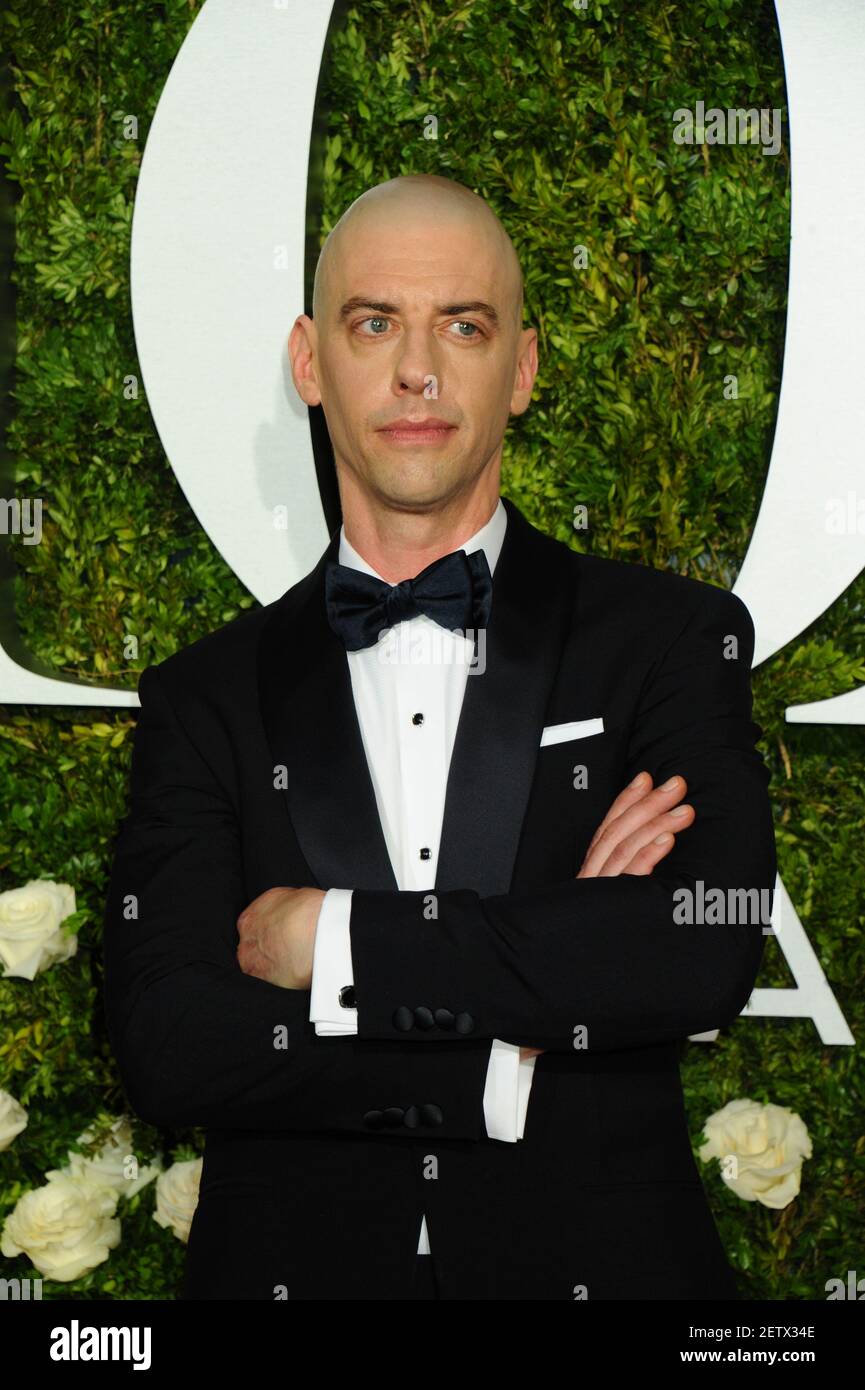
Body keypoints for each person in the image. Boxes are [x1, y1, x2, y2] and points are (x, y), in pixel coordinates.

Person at [102, 173, 776, 1300]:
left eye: (462, 326)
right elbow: (170, 1039)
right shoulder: (205, 695)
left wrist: (339, 942)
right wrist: (502, 1048)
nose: (419, 371)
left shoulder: (669, 639)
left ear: (521, 369)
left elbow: (695, 948)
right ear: (311, 364)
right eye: (376, 324)